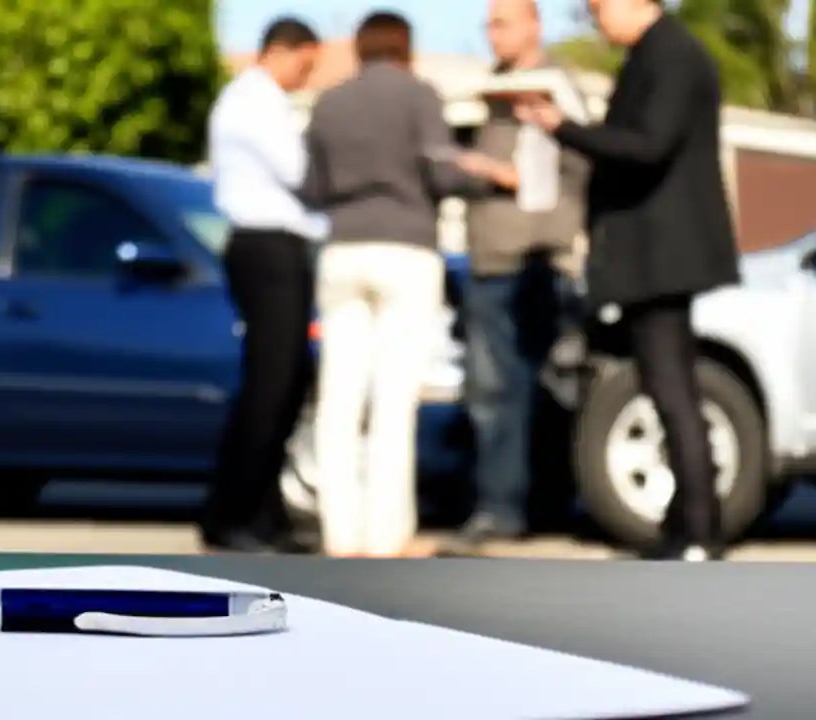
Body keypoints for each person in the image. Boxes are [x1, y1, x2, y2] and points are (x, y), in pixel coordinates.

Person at [516, 0, 741, 561]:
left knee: (672, 390)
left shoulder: (670, 54)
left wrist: (563, 128)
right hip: (655, 254)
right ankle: (687, 523)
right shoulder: (655, 54)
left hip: (662, 256)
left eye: (597, 8)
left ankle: (697, 529)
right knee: (668, 389)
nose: (595, 20)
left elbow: (647, 144)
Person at [300, 11, 518, 558]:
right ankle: (386, 536)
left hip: (344, 250)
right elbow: (441, 171)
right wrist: (486, 177)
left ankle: (339, 534)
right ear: (405, 48)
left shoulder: (329, 103)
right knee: (395, 400)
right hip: (405, 252)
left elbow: (311, 188)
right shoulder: (419, 96)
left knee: (339, 398)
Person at [439, 0, 592, 557]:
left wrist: (504, 174)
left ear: (534, 24)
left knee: (538, 388)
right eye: (487, 24)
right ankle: (501, 508)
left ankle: (526, 506)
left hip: (538, 261)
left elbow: (581, 161)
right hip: (489, 262)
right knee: (491, 390)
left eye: (502, 22)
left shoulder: (555, 86)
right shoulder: (487, 91)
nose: (492, 33)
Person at [199, 17, 326, 553]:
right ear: (280, 52)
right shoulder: (255, 100)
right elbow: (302, 173)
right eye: (305, 63)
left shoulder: (257, 99)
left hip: (278, 247)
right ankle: (231, 516)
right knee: (270, 384)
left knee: (287, 381)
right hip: (267, 248)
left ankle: (264, 514)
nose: (307, 74)